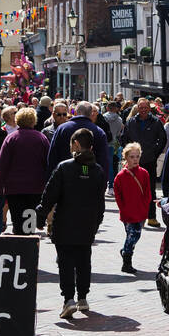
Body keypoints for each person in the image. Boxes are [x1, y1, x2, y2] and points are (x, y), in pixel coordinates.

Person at [37, 128, 106, 318]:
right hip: (87, 223)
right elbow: (100, 201)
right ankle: (83, 297)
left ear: (76, 144)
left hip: (65, 222)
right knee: (84, 260)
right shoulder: (97, 170)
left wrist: (41, 215)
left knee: (66, 261)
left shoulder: (65, 167)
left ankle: (68, 299)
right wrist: (97, 222)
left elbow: (50, 194)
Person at [0, 107, 52, 236]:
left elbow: (1, 166)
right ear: (33, 121)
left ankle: (19, 244)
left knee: (17, 220)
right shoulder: (41, 138)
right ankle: (28, 245)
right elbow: (48, 164)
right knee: (29, 221)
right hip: (35, 187)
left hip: (14, 188)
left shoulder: (11, 138)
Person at [122, 98, 167, 227]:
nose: (143, 110)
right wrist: (129, 154)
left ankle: (151, 216)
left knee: (150, 189)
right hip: (133, 162)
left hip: (149, 160)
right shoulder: (131, 122)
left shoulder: (156, 122)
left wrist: (154, 153)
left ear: (149, 108)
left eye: (145, 108)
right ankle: (135, 215)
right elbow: (124, 138)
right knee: (133, 189)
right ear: (137, 108)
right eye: (141, 108)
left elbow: (162, 139)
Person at [112, 142, 151, 274]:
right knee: (132, 235)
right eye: (132, 156)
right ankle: (126, 261)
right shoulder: (121, 176)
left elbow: (147, 193)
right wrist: (123, 209)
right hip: (128, 213)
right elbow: (118, 195)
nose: (135, 159)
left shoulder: (144, 173)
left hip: (140, 211)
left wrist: (145, 209)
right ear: (126, 158)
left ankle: (125, 251)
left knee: (135, 235)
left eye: (137, 156)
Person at [47, 101, 109, 186]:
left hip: (65, 180)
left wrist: (51, 180)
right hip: (90, 181)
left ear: (75, 112)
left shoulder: (62, 129)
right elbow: (104, 159)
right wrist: (103, 183)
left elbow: (52, 155)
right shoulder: (99, 132)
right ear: (91, 114)